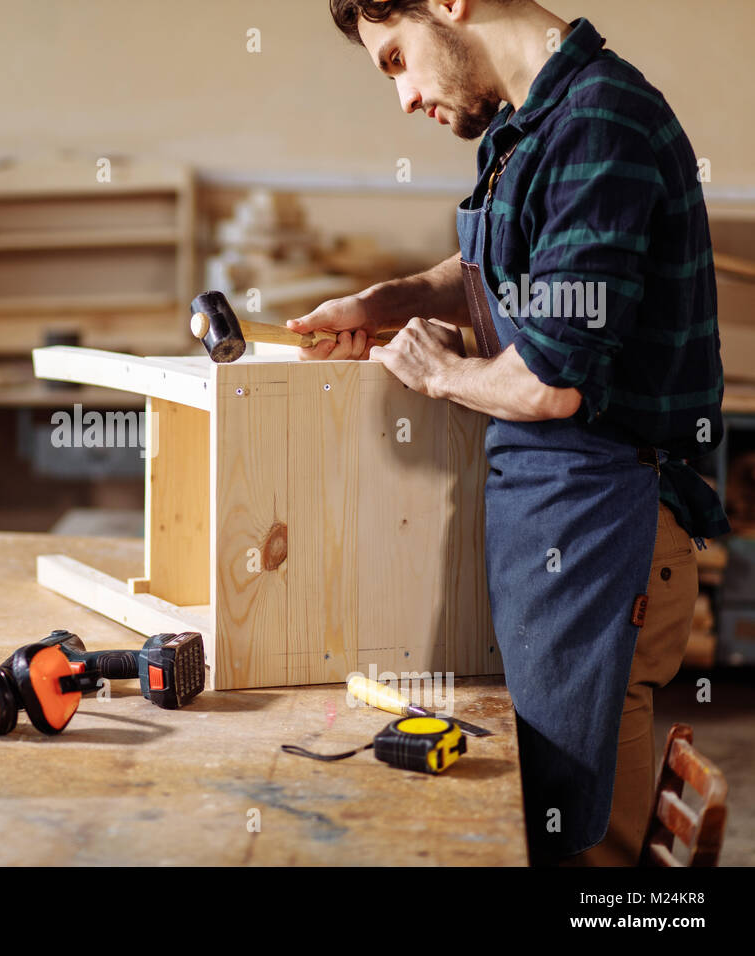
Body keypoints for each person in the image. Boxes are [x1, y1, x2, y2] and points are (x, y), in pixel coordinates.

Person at [293, 0, 729, 865]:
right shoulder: (528, 128)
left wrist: (438, 372)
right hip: (556, 517)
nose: (406, 95)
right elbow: (507, 265)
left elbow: (552, 381)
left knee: (584, 854)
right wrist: (392, 303)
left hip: (608, 525)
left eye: (395, 59)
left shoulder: (602, 123)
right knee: (547, 821)